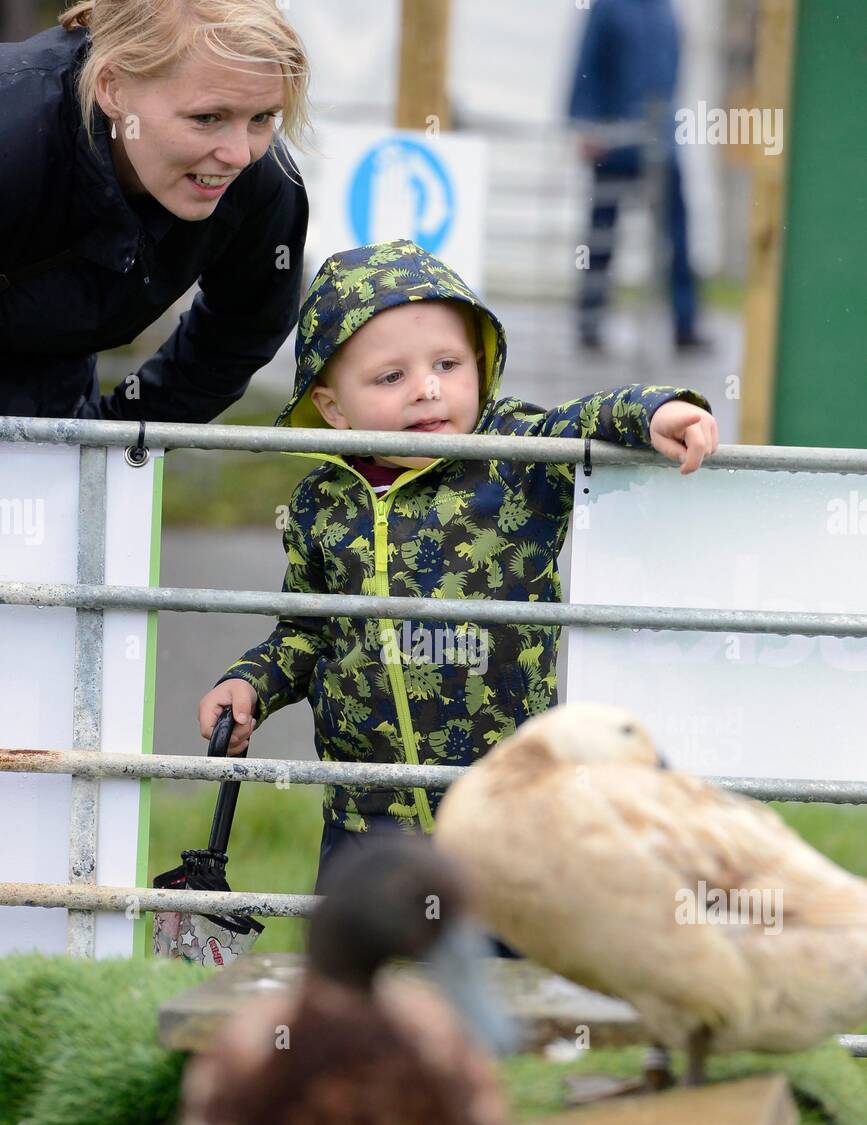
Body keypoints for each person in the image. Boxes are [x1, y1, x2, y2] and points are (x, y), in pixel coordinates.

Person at [197, 238, 718, 893]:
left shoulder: (513, 457)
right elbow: (307, 628)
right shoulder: (320, 503)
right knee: (371, 982)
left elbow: (581, 418)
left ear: (478, 364)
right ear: (332, 406)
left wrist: (654, 411)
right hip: (366, 818)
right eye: (391, 377)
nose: (427, 389)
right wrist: (251, 684)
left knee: (511, 975)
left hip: (507, 811)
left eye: (447, 363)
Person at [0, 0, 310, 419]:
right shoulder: (14, 132)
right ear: (112, 88)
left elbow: (242, 330)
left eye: (262, 117)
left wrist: (120, 440)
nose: (239, 154)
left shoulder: (261, 180)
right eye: (206, 118)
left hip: (55, 397)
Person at [566, 0, 708, 352]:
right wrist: (585, 124)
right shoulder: (608, 7)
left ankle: (685, 324)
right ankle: (590, 321)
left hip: (660, 142)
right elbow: (587, 62)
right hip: (613, 140)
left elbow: (671, 71)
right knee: (601, 237)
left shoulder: (666, 10)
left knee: (677, 235)